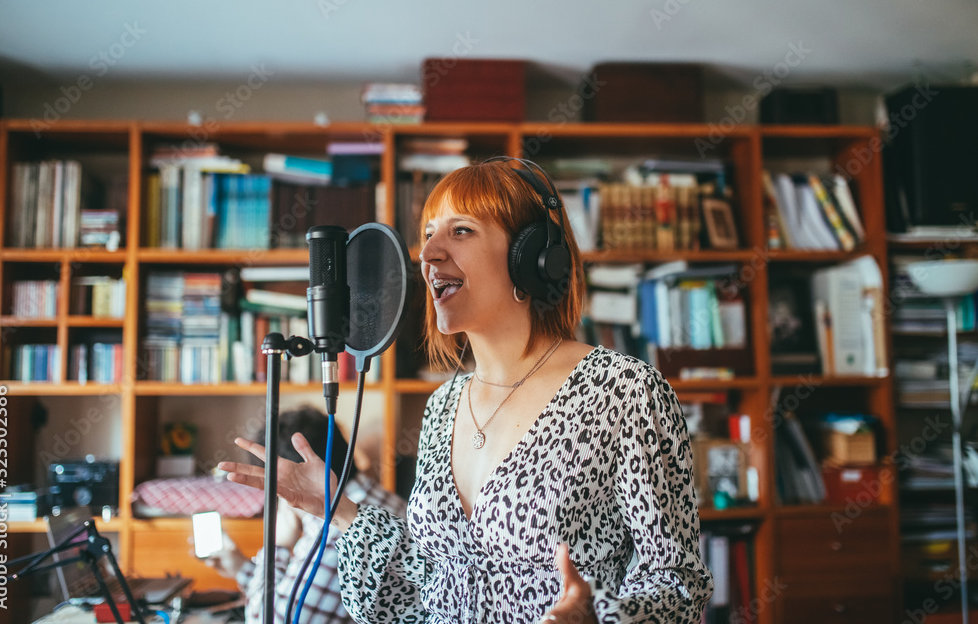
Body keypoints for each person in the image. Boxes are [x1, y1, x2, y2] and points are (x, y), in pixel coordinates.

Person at [221, 159, 713, 623]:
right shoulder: (443, 405)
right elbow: (429, 584)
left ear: (531, 258)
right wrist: (340, 511)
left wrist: (599, 617)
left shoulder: (624, 390)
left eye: (461, 231)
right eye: (428, 234)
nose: (429, 254)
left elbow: (678, 585)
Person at [203, 406, 406, 623]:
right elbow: (295, 597)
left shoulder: (335, 532)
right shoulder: (375, 497)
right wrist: (243, 569)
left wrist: (277, 545)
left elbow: (270, 620)